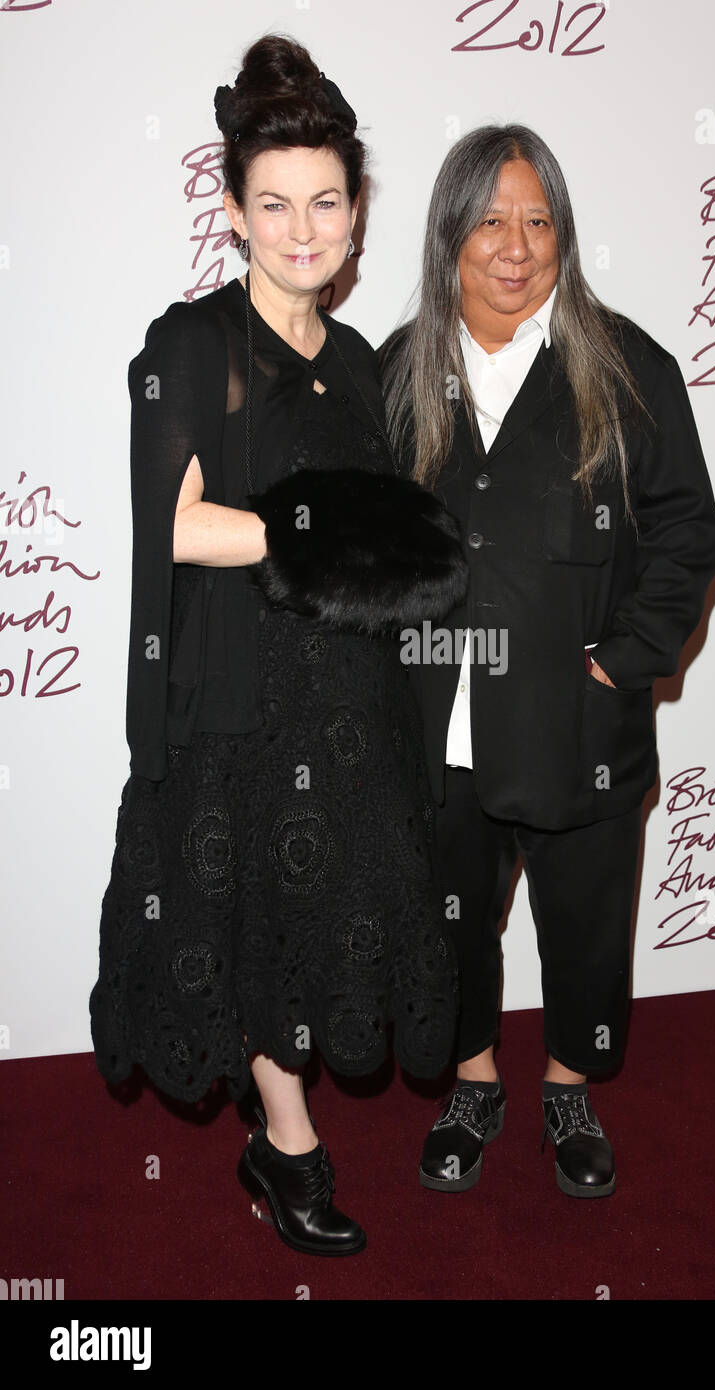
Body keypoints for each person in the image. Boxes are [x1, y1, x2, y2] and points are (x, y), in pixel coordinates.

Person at [89, 34, 467, 1255]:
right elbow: (176, 526)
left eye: (324, 203)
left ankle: (277, 1120)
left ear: (357, 212)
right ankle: (287, 1141)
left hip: (346, 693)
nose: (301, 229)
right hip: (237, 692)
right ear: (233, 210)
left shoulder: (361, 365)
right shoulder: (190, 347)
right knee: (249, 915)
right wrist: (312, 535)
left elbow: (383, 537)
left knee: (324, 913)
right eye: (273, 204)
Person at [379, 125, 715, 1199]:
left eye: (536, 221)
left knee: (582, 931)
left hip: (578, 727)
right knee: (449, 927)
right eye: (490, 220)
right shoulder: (393, 375)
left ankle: (568, 1084)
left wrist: (619, 666)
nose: (515, 245)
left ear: (562, 236)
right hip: (440, 731)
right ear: (449, 238)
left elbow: (685, 538)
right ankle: (473, 1080)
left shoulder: (626, 369)